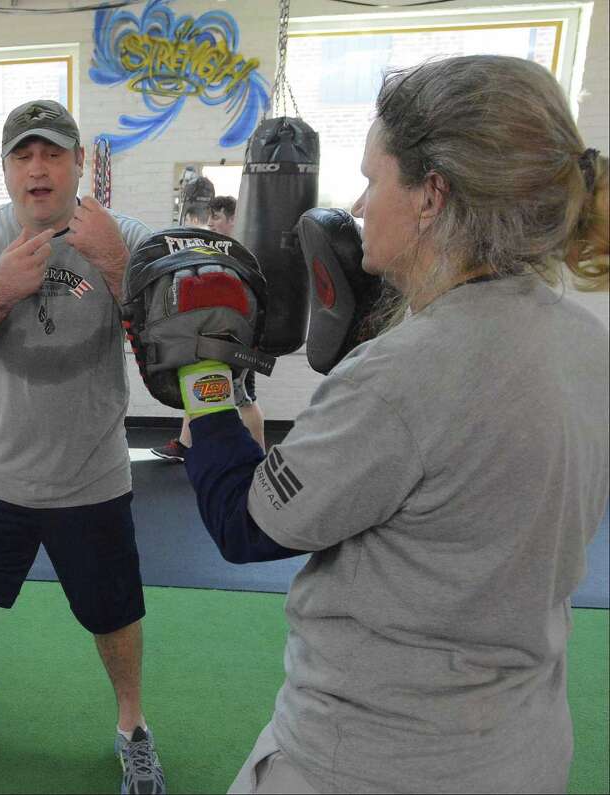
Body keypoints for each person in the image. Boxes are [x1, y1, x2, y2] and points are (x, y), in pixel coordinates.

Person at [177, 55, 609, 793]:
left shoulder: (402, 378)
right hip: (520, 745)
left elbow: (245, 523)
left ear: (431, 195)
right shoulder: (586, 341)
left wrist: (201, 382)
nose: (358, 199)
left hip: (370, 758)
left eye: (375, 179)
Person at [0, 99, 165, 795]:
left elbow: (168, 362)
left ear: (79, 165)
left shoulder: (127, 235)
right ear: (4, 169)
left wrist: (118, 268)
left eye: (53, 153)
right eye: (23, 155)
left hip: (93, 475)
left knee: (115, 613)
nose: (38, 168)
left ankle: (132, 726)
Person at [152, 190, 262, 463]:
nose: (212, 223)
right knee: (200, 381)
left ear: (234, 219)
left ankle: (260, 454)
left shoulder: (243, 250)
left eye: (218, 217)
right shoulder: (218, 247)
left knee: (244, 397)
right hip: (216, 329)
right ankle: (185, 445)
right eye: (210, 217)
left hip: (238, 334)